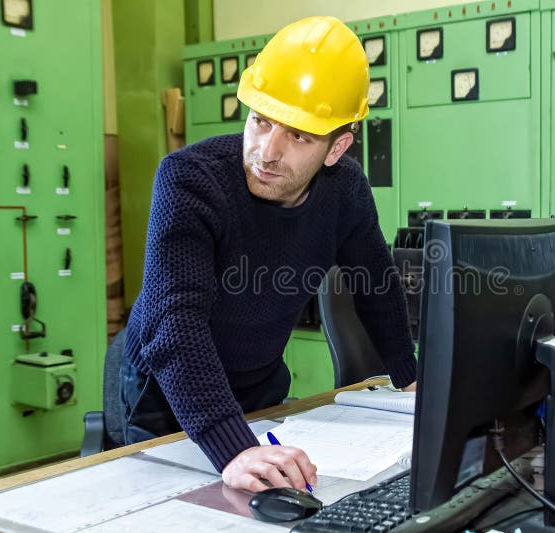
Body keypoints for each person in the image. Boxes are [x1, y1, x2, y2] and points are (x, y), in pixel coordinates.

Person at [119, 16, 417, 493]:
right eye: (260, 121)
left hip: (260, 386)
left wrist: (409, 381)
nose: (267, 152)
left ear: (337, 147)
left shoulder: (346, 192)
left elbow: (376, 284)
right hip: (169, 394)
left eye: (298, 135)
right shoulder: (189, 180)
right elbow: (175, 322)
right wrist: (232, 446)